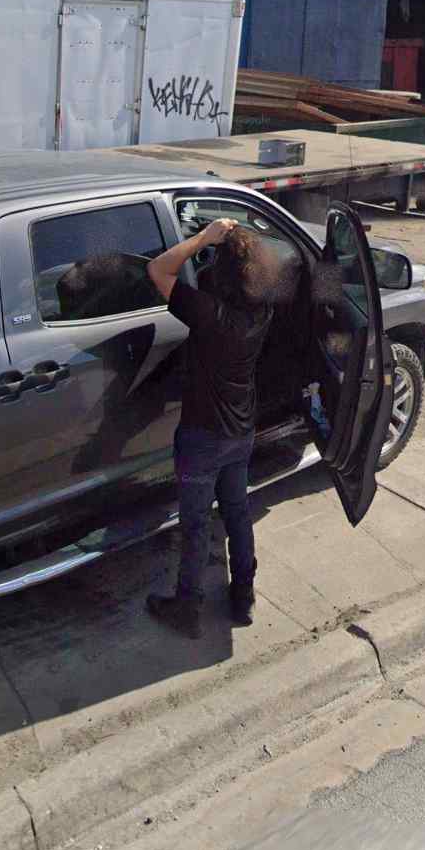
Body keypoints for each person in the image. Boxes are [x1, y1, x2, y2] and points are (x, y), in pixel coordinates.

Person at [142, 217, 279, 637]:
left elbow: (157, 270)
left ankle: (187, 606)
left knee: (197, 524)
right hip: (241, 432)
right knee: (238, 513)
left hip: (202, 437)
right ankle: (243, 597)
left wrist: (203, 237)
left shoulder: (207, 312)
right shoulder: (264, 309)